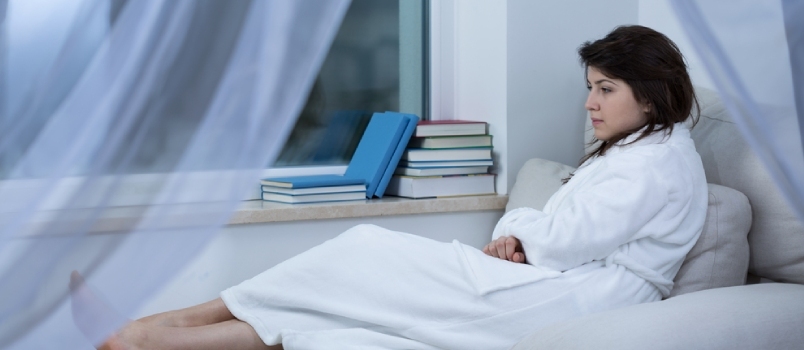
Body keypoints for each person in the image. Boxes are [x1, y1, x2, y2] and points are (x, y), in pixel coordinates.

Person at [71, 24, 708, 350]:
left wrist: (520, 232)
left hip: (579, 300)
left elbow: (561, 240)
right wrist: (523, 235)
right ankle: (155, 333)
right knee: (339, 312)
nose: (590, 102)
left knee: (362, 253)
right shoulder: (635, 150)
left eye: (606, 89)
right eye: (590, 86)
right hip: (555, 280)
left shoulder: (657, 164)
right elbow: (558, 234)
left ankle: (156, 329)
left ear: (650, 94)